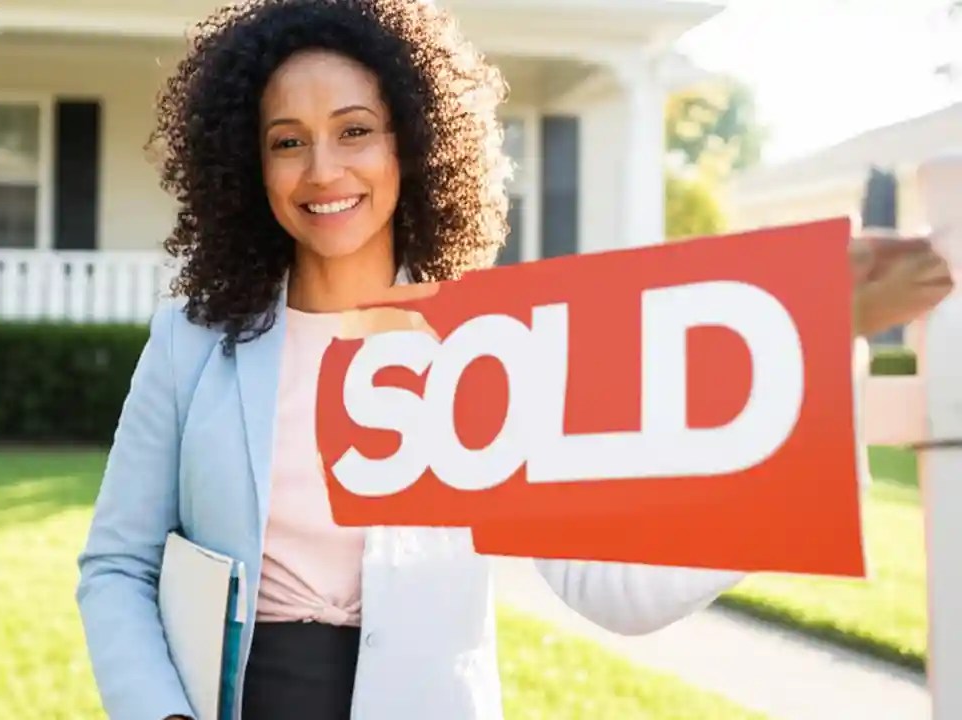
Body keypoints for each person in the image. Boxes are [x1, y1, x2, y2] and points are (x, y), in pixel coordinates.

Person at [75, 1, 955, 719]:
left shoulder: (483, 350)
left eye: (355, 130)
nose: (322, 168)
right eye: (287, 140)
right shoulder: (194, 342)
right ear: (248, 164)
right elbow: (118, 566)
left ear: (412, 144)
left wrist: (817, 360)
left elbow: (610, 587)